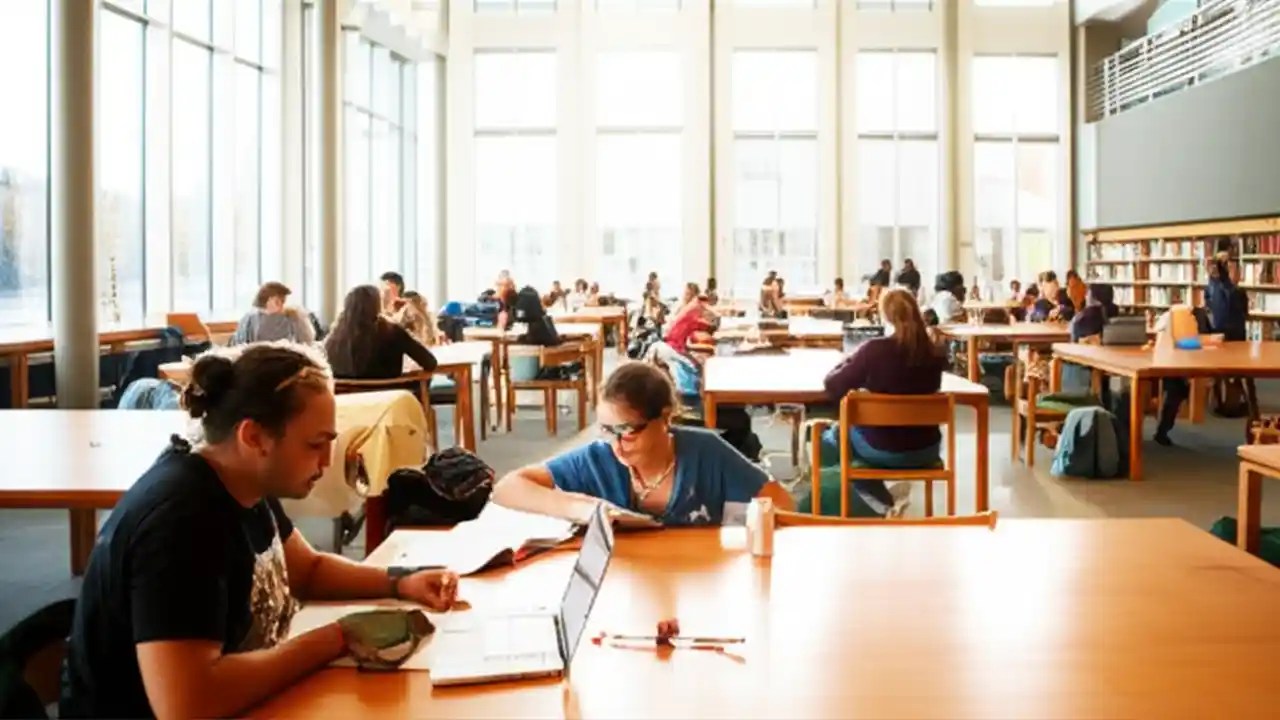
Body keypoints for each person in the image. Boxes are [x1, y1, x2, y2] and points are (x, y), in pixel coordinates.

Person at [60, 344, 459, 718]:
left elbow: (307, 571)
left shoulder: (244, 479)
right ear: (253, 437)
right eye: (315, 444)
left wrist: (401, 584)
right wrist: (337, 637)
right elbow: (188, 703)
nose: (328, 460)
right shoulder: (180, 521)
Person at [491, 362, 793, 525]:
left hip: (697, 585)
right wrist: (582, 507)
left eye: (627, 431)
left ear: (664, 418)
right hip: (622, 586)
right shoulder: (599, 459)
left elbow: (782, 506)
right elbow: (507, 488)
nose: (616, 445)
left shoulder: (706, 454)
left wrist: (735, 532)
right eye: (606, 430)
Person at [821, 288, 948, 516]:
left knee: (834, 436)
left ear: (885, 316)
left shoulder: (874, 350)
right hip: (926, 450)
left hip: (881, 449)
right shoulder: (935, 352)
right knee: (857, 433)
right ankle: (887, 499)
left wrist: (850, 360)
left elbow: (833, 385)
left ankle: (880, 502)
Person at [324, 285, 438, 379]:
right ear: (377, 305)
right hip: (389, 400)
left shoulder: (334, 338)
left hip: (347, 401)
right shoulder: (392, 331)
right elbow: (430, 363)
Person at [232, 282, 316, 346]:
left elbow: (307, 340)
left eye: (283, 301)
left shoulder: (292, 316)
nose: (282, 305)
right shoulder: (249, 320)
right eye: (278, 301)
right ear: (267, 300)